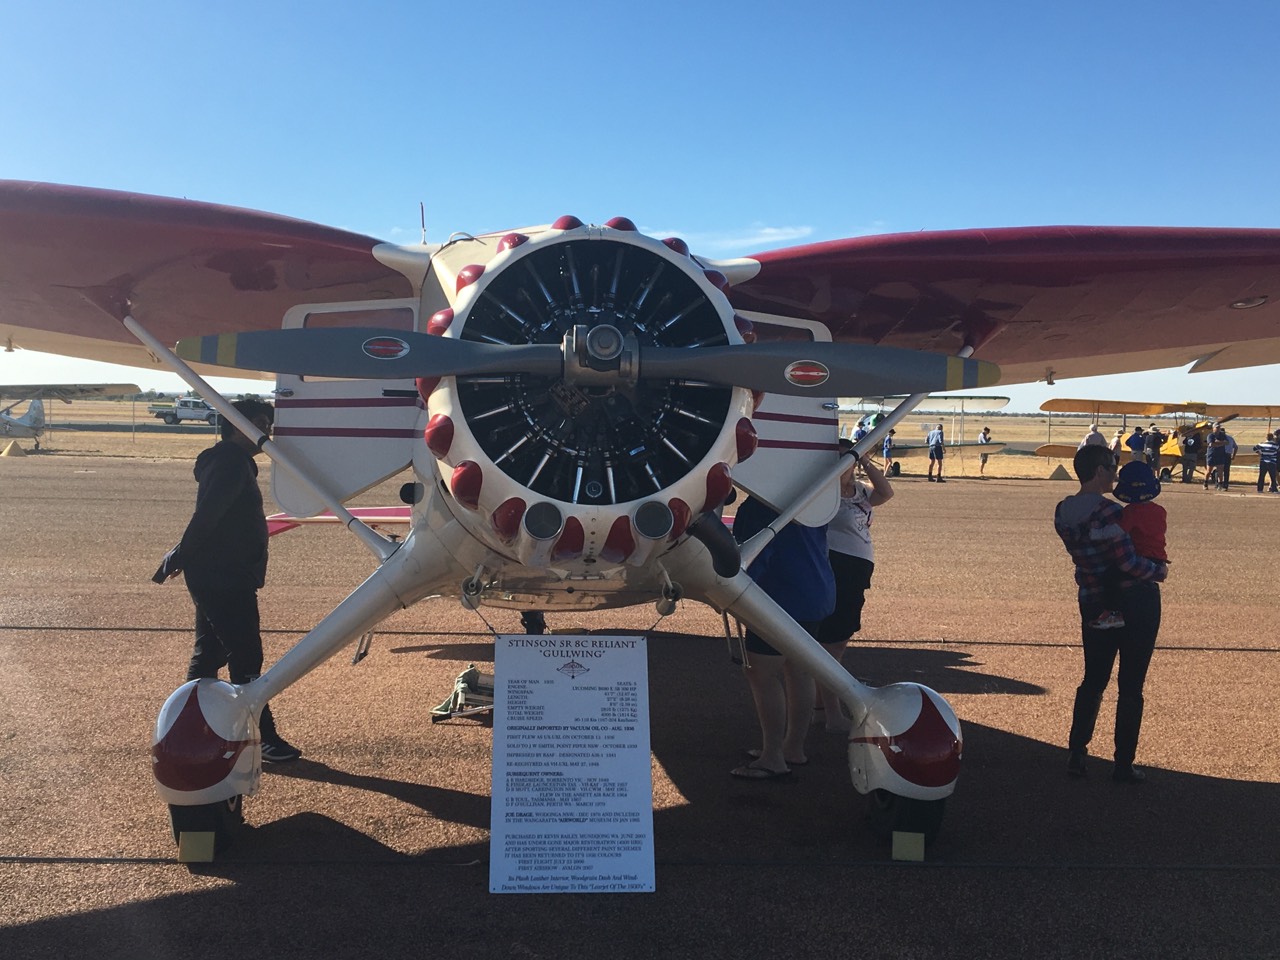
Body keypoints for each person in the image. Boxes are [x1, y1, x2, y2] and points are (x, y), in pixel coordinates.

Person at [155, 398, 301, 763]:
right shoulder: (231, 464)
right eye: (261, 424)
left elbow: (211, 517)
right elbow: (207, 517)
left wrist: (183, 556)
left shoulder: (231, 463)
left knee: (209, 655)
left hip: (220, 573)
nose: (266, 433)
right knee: (246, 655)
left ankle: (187, 730)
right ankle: (262, 736)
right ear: (238, 426)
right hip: (222, 576)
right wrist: (181, 555)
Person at [1054, 445, 1167, 783]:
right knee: (1131, 685)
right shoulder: (1112, 512)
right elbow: (1128, 562)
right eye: (1112, 466)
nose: (1115, 472)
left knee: (1093, 680)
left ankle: (1076, 752)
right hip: (1136, 601)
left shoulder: (1062, 511)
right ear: (1099, 471)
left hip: (1091, 599)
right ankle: (1122, 763)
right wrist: (1157, 571)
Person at [729, 494, 835, 778]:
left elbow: (748, 559)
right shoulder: (813, 499)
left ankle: (772, 756)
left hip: (779, 596)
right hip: (816, 592)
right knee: (799, 671)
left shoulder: (756, 507)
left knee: (761, 674)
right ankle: (793, 748)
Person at [815, 441, 893, 731]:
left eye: (849, 458)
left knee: (839, 642)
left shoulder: (860, 491)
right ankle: (833, 714)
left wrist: (866, 461)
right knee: (831, 645)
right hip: (837, 569)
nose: (845, 463)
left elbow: (886, 493)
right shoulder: (824, 493)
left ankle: (820, 708)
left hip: (857, 573)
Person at [1205, 424, 1230, 490]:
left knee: (1220, 471)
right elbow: (1211, 444)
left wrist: (1218, 443)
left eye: (1219, 428)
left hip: (1220, 455)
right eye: (1217, 428)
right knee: (1209, 471)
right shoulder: (1210, 435)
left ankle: (1220, 485)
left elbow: (1227, 443)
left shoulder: (1223, 435)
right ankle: (1205, 483)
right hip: (1211, 454)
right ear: (1213, 428)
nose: (1218, 429)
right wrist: (1221, 443)